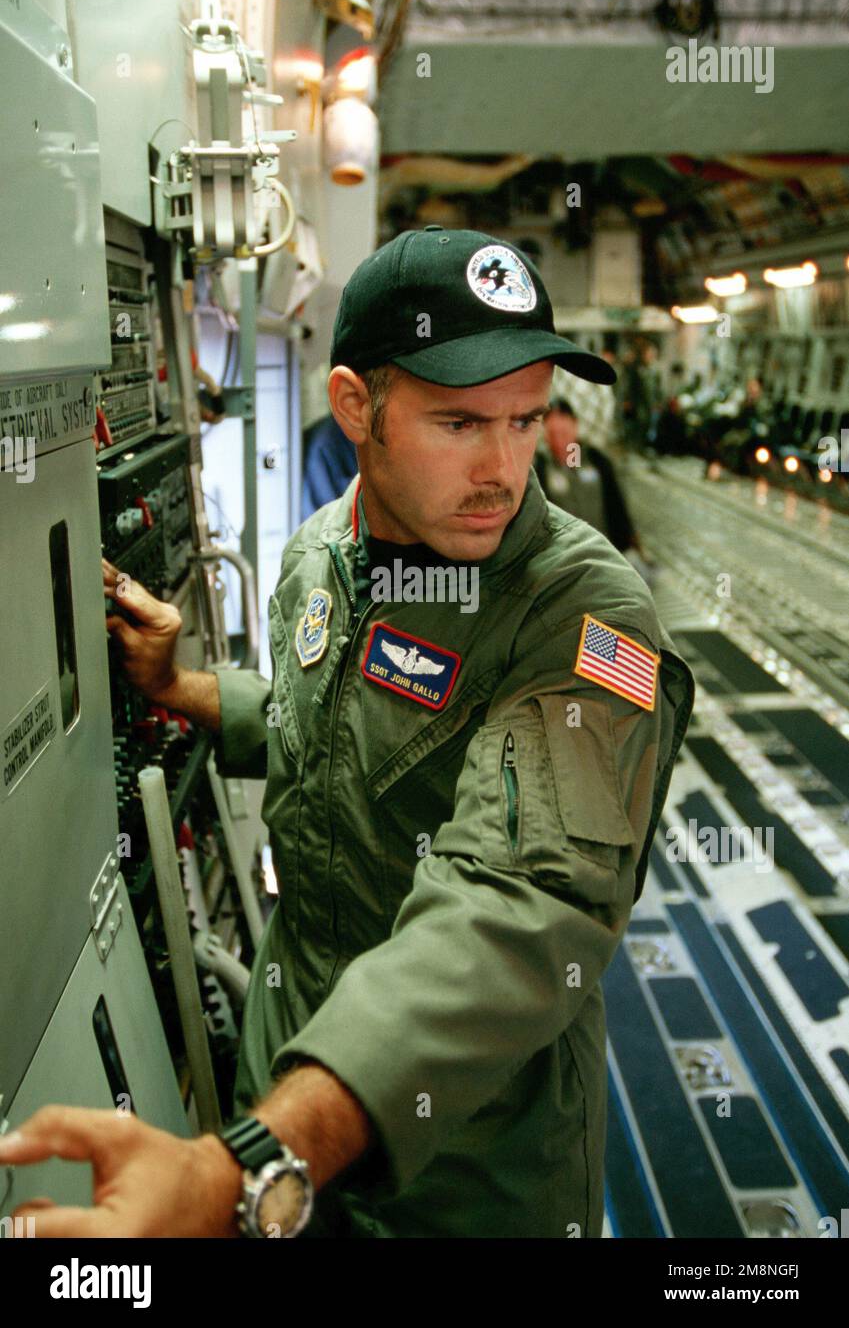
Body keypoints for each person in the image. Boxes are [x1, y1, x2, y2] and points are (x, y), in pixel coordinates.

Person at [0, 227, 695, 1239]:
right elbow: (327, 731)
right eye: (461, 423)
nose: (504, 468)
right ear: (355, 406)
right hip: (292, 1070)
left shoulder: (584, 618)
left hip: (465, 1171)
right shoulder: (323, 552)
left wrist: (249, 1161)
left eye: (526, 418)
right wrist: (187, 687)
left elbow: (521, 905)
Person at [535, 399, 654, 584]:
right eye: (553, 434)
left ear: (575, 427)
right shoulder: (541, 468)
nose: (559, 441)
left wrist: (630, 542)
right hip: (566, 562)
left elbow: (617, 505)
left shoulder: (596, 460)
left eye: (564, 433)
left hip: (606, 553)